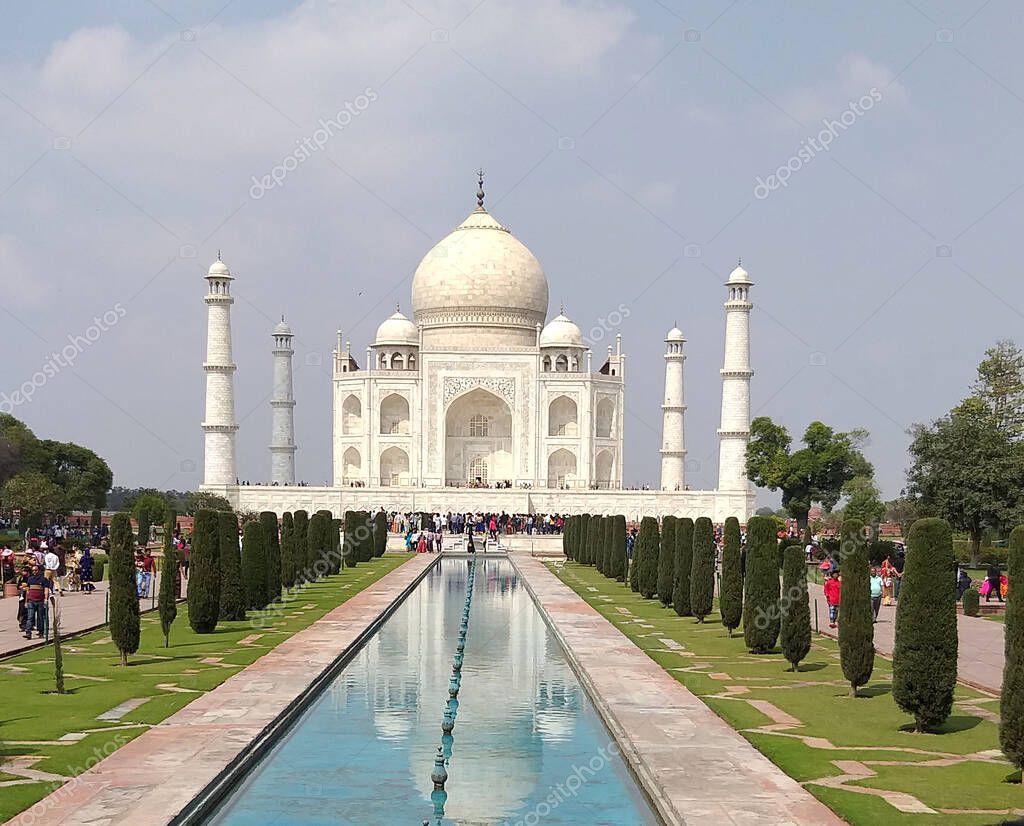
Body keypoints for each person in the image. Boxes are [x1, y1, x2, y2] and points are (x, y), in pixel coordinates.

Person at [21, 563, 52, 639]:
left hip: (40, 601)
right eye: (33, 570)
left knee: (40, 617)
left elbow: (46, 590)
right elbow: (28, 590)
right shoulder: (30, 579)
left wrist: (46, 600)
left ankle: (41, 632)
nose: (34, 572)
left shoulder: (43, 580)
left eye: (36, 570)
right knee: (30, 617)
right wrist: (26, 601)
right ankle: (28, 633)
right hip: (31, 601)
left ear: (39, 571)